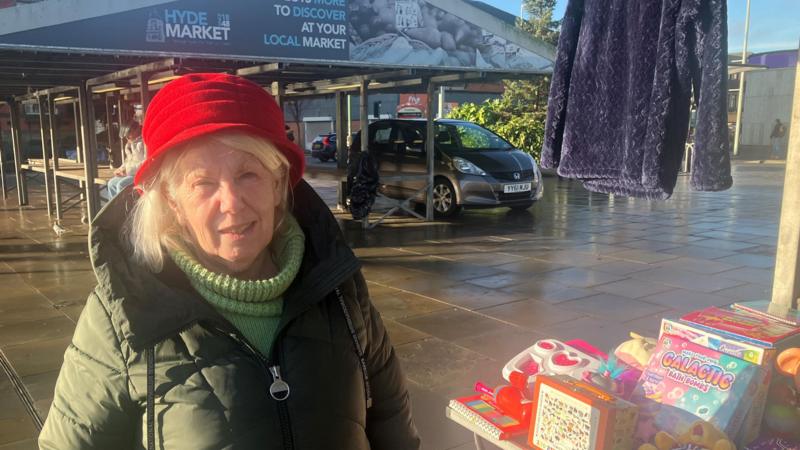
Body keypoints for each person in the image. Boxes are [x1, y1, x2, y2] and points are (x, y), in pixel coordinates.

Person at [39, 73, 420, 449]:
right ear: (172, 201)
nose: (232, 203)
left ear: (277, 184)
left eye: (248, 174)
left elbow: (392, 424)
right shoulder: (121, 316)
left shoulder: (339, 289)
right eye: (203, 182)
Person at [107, 121, 146, 197]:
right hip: (130, 173)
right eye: (126, 135)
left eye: (129, 133)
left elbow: (145, 162)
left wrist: (127, 170)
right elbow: (128, 161)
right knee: (111, 183)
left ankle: (123, 207)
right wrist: (121, 169)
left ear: (137, 129)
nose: (127, 137)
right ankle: (115, 206)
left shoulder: (143, 143)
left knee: (121, 185)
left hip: (140, 174)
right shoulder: (129, 144)